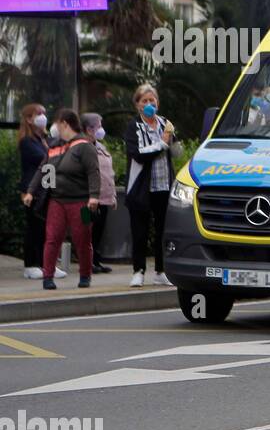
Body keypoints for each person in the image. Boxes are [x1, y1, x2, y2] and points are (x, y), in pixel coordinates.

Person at [21, 110, 99, 289]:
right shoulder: (54, 146)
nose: (54, 127)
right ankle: (48, 276)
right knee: (52, 238)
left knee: (83, 238)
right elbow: (43, 169)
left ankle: (85, 275)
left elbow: (93, 172)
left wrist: (94, 197)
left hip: (82, 203)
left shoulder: (85, 146)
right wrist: (31, 191)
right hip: (57, 201)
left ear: (65, 124)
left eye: (57, 123)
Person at [124, 84, 178, 287]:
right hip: (141, 188)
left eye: (152, 100)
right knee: (140, 231)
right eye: (144, 101)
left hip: (164, 185)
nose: (149, 104)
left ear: (158, 102)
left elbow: (176, 153)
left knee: (163, 231)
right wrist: (162, 144)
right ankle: (138, 270)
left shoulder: (165, 123)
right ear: (137, 104)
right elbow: (138, 154)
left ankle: (161, 270)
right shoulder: (134, 127)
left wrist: (172, 142)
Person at [16, 102, 66, 280]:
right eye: (38, 114)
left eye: (44, 113)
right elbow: (45, 158)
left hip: (48, 189)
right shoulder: (27, 142)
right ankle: (31, 265)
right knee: (34, 228)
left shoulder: (43, 140)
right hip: (33, 190)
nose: (43, 117)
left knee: (49, 229)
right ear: (29, 119)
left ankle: (47, 264)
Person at [81, 113, 117, 273]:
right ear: (89, 129)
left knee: (98, 232)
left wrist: (113, 195)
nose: (101, 129)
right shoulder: (80, 147)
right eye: (98, 126)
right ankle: (86, 263)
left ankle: (96, 260)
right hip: (87, 199)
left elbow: (110, 173)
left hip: (104, 198)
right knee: (86, 231)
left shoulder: (101, 147)